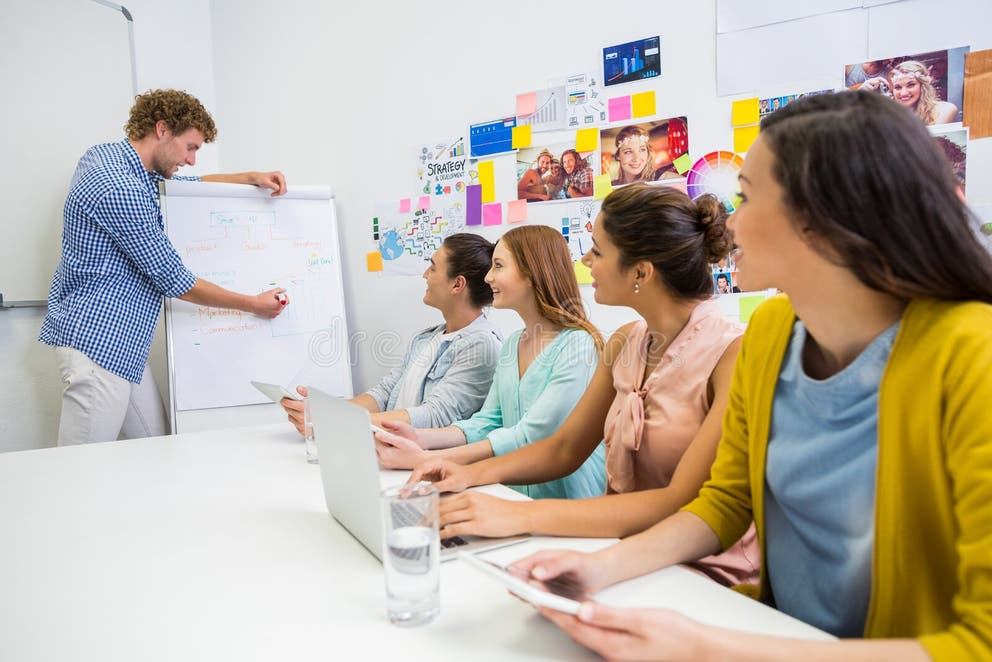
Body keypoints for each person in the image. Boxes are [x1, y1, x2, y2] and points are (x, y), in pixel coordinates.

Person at [510, 90, 992, 660]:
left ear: (823, 220)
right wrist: (594, 570)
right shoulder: (769, 331)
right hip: (770, 631)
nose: (730, 222)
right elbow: (722, 503)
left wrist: (707, 649)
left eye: (746, 198)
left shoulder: (972, 357)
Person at [407, 184, 759, 587]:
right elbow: (564, 448)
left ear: (641, 272)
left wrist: (518, 515)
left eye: (598, 250)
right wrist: (466, 474)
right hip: (619, 550)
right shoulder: (625, 340)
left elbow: (680, 502)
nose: (585, 260)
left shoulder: (732, 352)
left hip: (704, 572)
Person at [39, 89, 289, 446]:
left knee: (156, 447)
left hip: (125, 344)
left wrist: (249, 177)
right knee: (79, 469)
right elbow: (174, 279)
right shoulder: (119, 187)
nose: (191, 160)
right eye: (191, 147)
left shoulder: (110, 158)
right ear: (161, 129)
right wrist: (254, 303)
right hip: (98, 344)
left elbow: (182, 185)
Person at [375, 225, 606, 500]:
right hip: (514, 496)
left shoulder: (577, 345)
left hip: (567, 503)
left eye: (498, 266)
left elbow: (530, 434)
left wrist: (424, 458)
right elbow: (487, 422)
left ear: (532, 273)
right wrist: (418, 436)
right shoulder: (512, 344)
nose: (487, 277)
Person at [280, 233, 502, 433]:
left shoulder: (482, 345)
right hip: (386, 452)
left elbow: (436, 416)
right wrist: (324, 410)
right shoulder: (426, 338)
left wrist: (336, 422)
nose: (425, 275)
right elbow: (384, 394)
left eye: (433, 268)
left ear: (457, 284)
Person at [863, 60, 958, 125]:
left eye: (911, 85)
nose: (903, 93)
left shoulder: (944, 110)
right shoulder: (887, 115)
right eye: (898, 87)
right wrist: (862, 93)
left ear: (922, 86)